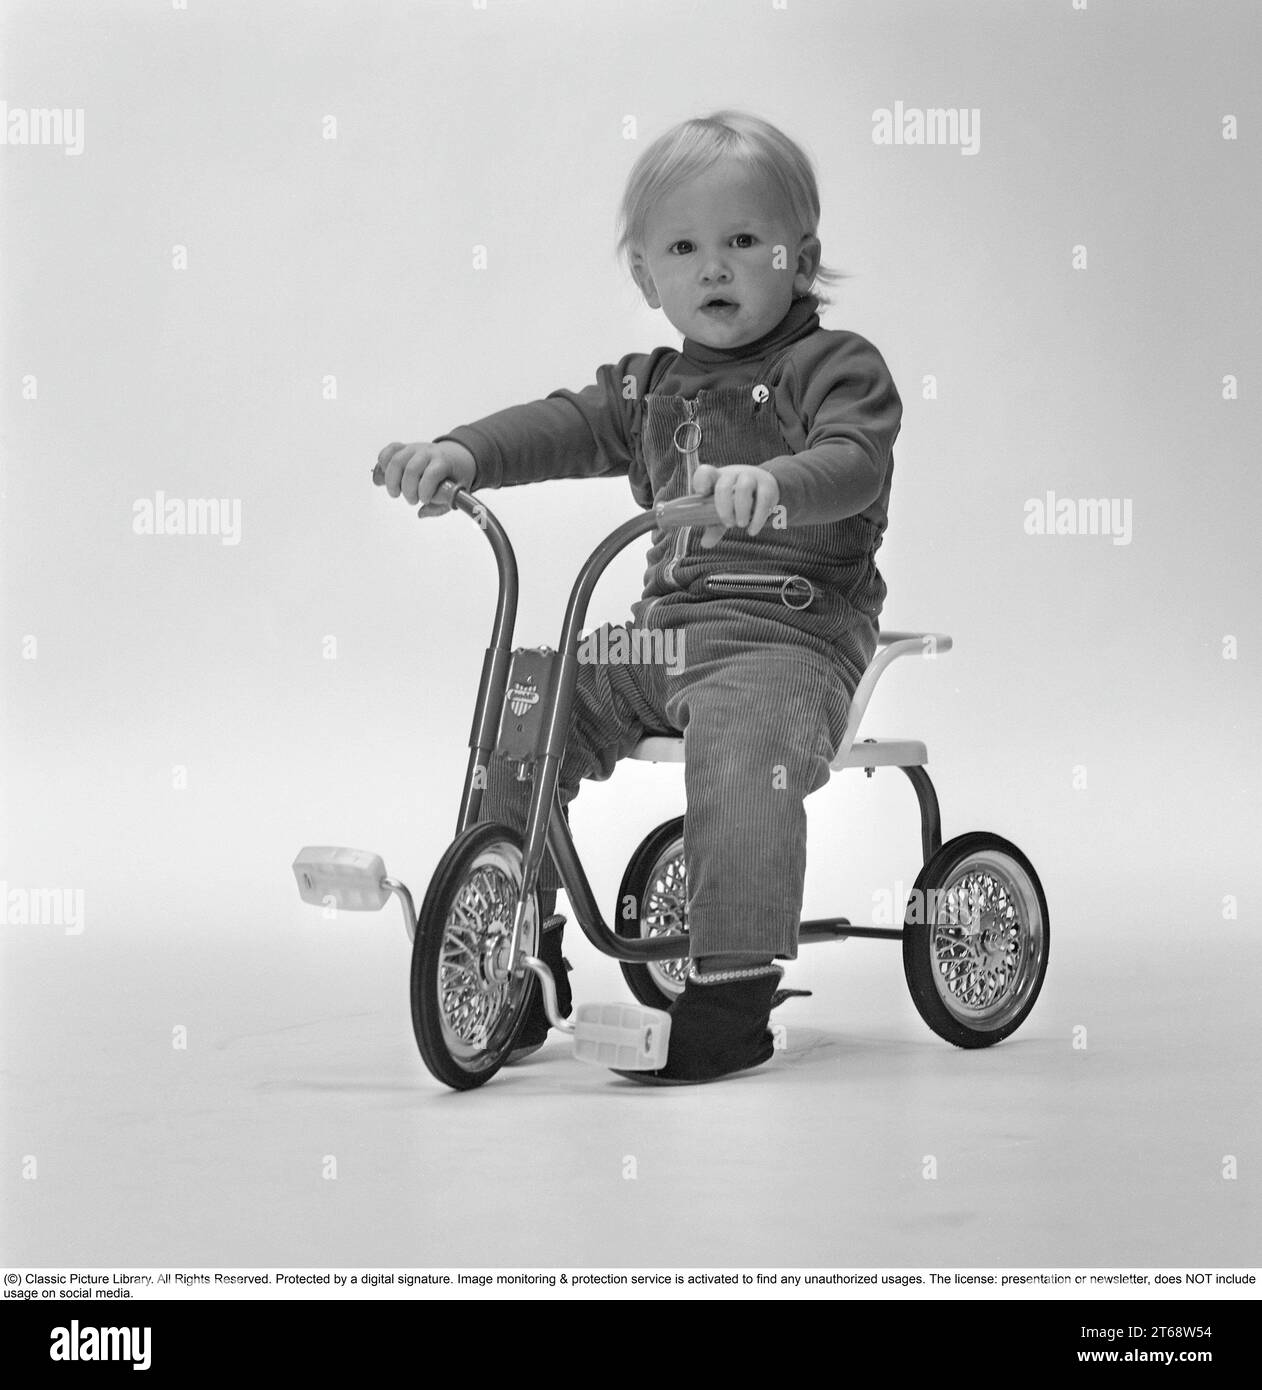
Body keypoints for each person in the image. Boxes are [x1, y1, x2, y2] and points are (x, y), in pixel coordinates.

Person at [375, 110, 902, 1083]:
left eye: (744, 241)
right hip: (659, 645)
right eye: (684, 247)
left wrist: (780, 482)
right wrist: (463, 454)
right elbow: (560, 425)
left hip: (785, 639)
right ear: (644, 277)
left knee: (743, 744)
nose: (714, 268)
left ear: (801, 255)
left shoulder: (831, 368)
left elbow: (854, 461)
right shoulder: (648, 389)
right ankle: (512, 937)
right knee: (528, 699)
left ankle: (733, 993)